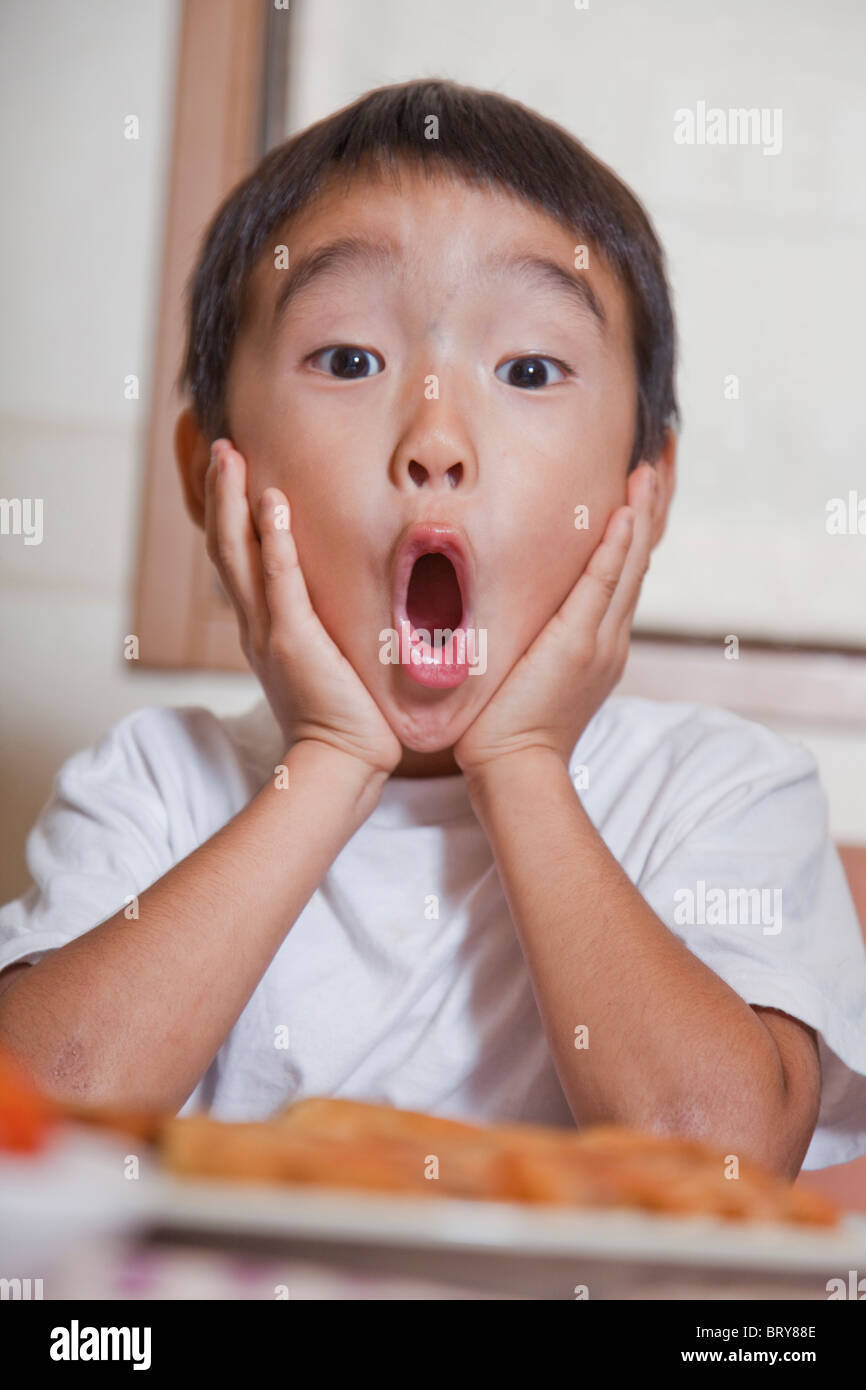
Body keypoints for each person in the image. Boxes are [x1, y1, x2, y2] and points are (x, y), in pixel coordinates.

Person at [2, 79, 864, 1178]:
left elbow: (720, 1151)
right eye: (349, 359)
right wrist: (327, 760)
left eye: (528, 370)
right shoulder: (153, 784)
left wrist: (519, 762)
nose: (435, 439)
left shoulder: (723, 791)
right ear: (210, 475)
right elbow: (33, 1112)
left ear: (639, 496)